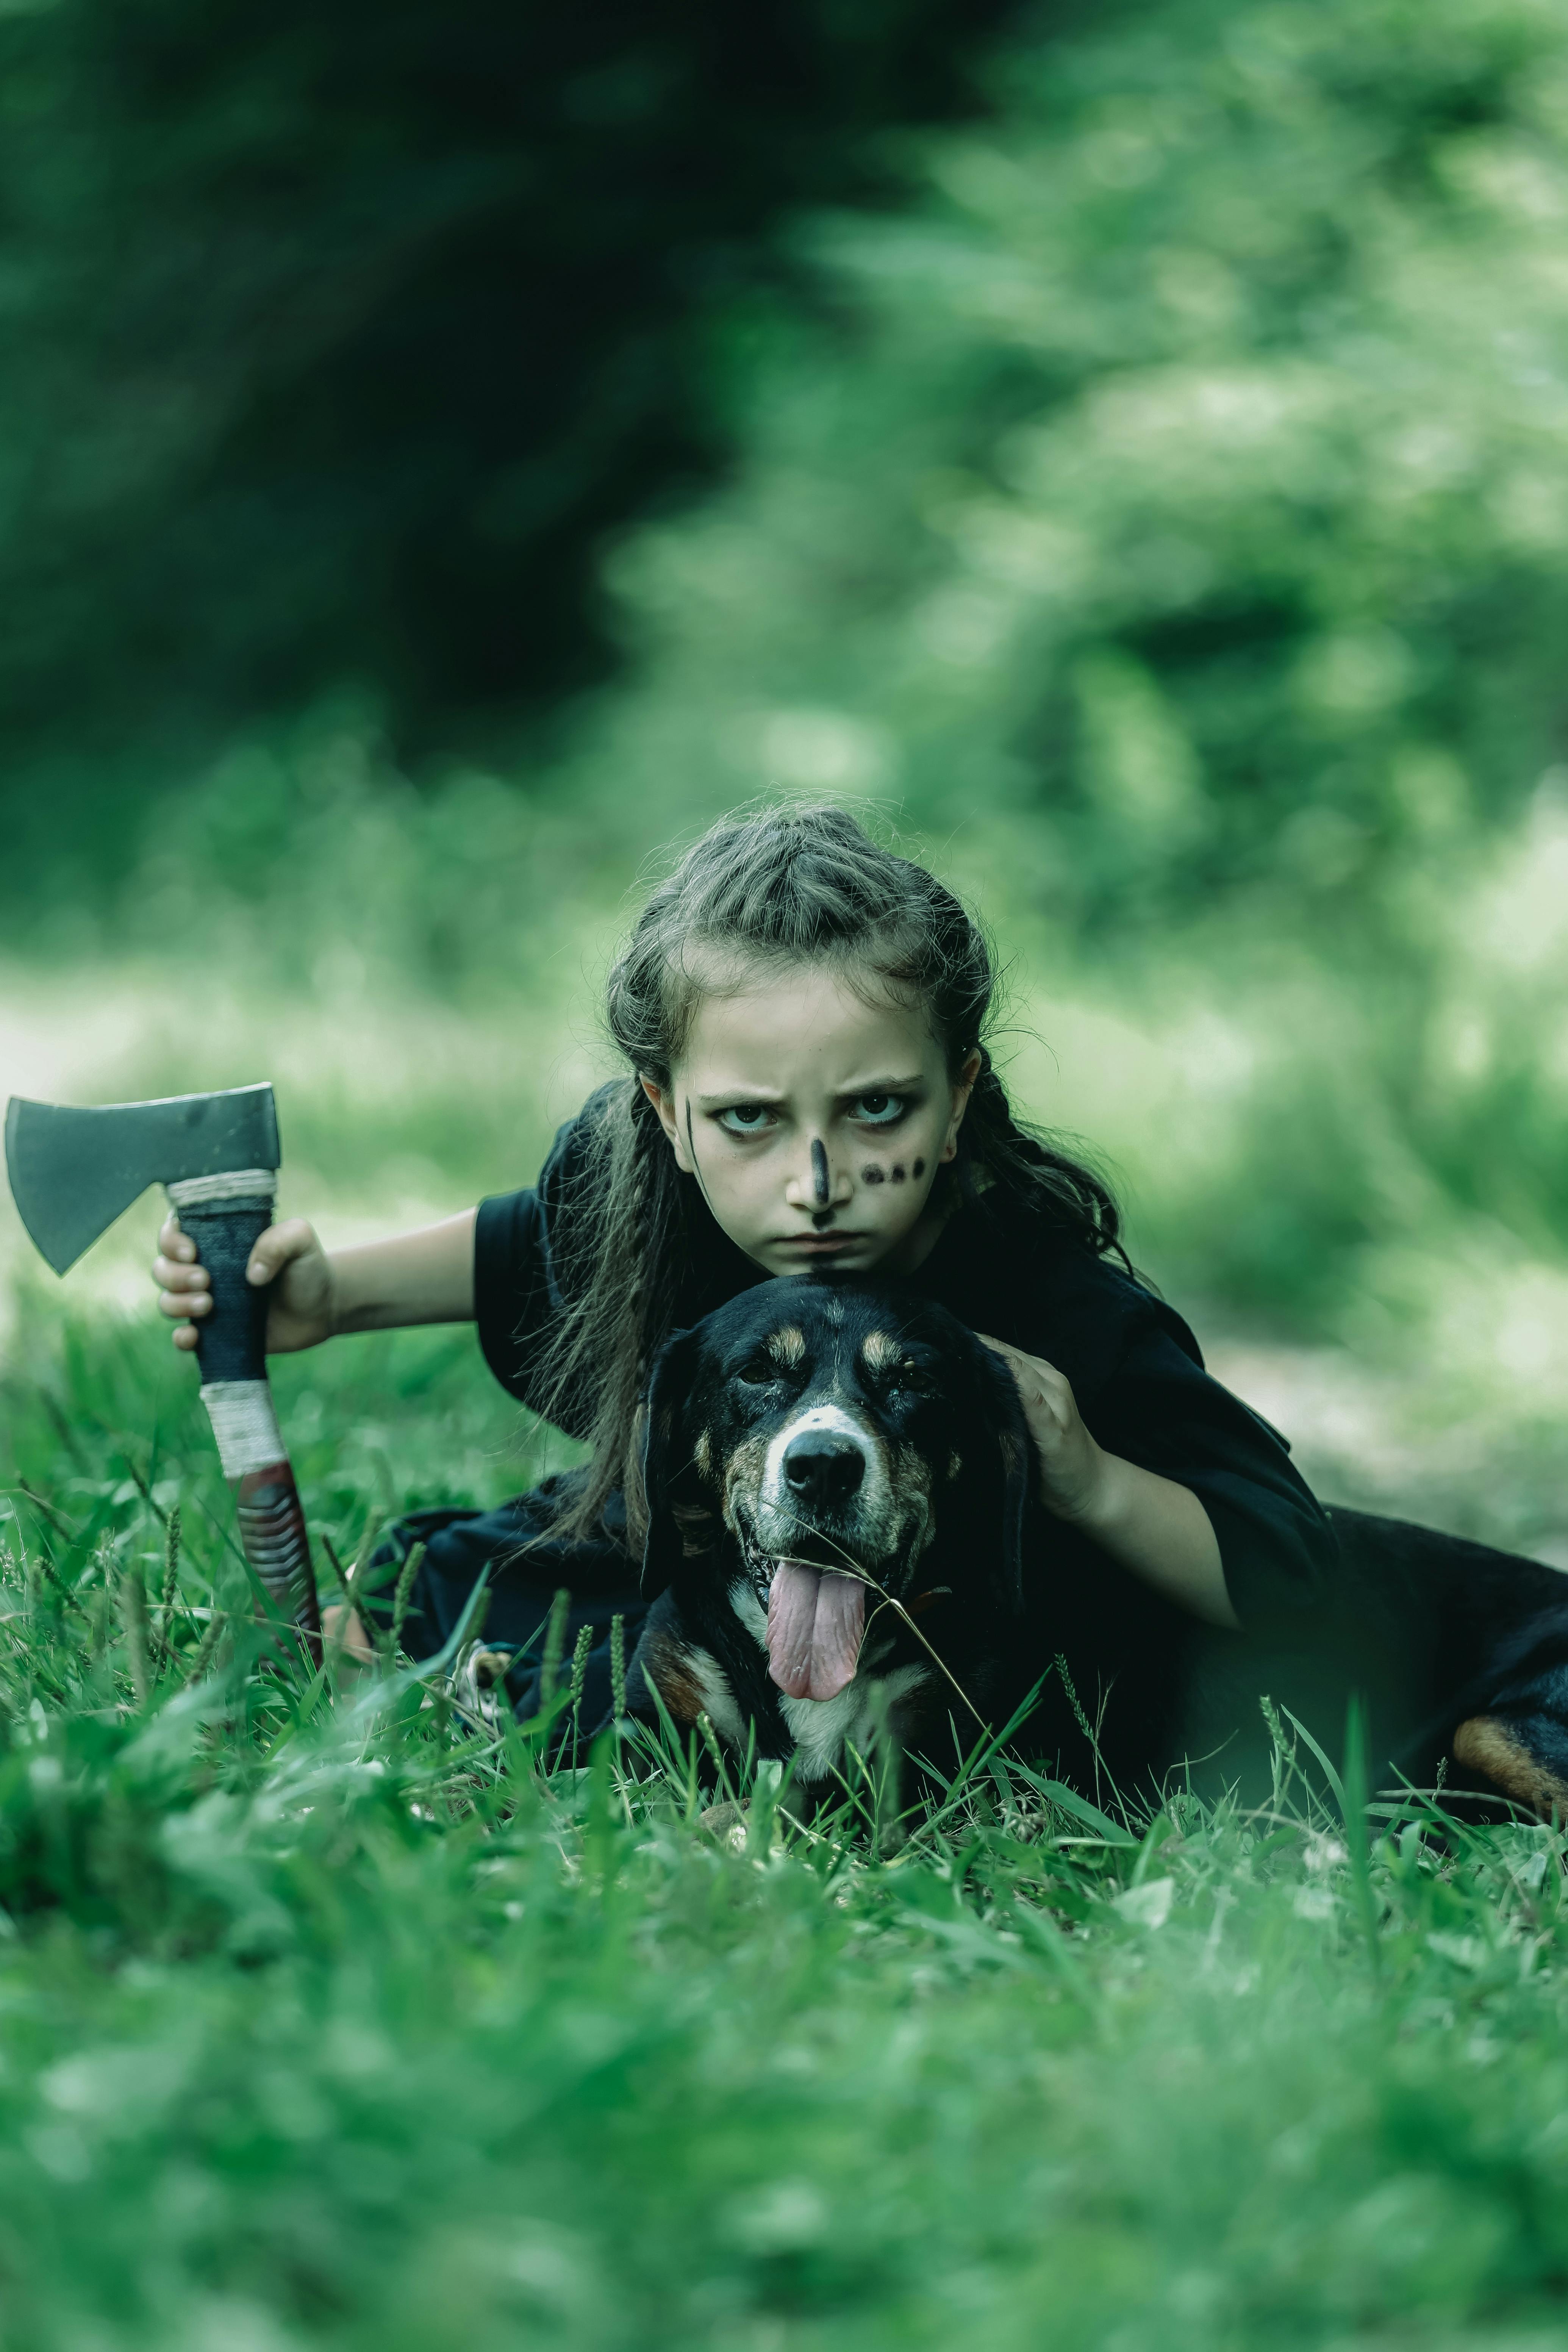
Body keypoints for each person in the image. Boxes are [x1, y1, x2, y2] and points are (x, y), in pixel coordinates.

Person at [153, 804, 1337, 1776]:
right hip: (722, 1559)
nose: (812, 1184)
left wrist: (1088, 1478)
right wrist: (323, 1297)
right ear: (665, 1113)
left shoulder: (1050, 1303)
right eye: (748, 1121)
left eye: (876, 1107)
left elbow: (1296, 1578)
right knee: (494, 1596)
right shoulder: (632, 1193)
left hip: (969, 1612)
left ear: (958, 1090)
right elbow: (509, 1246)